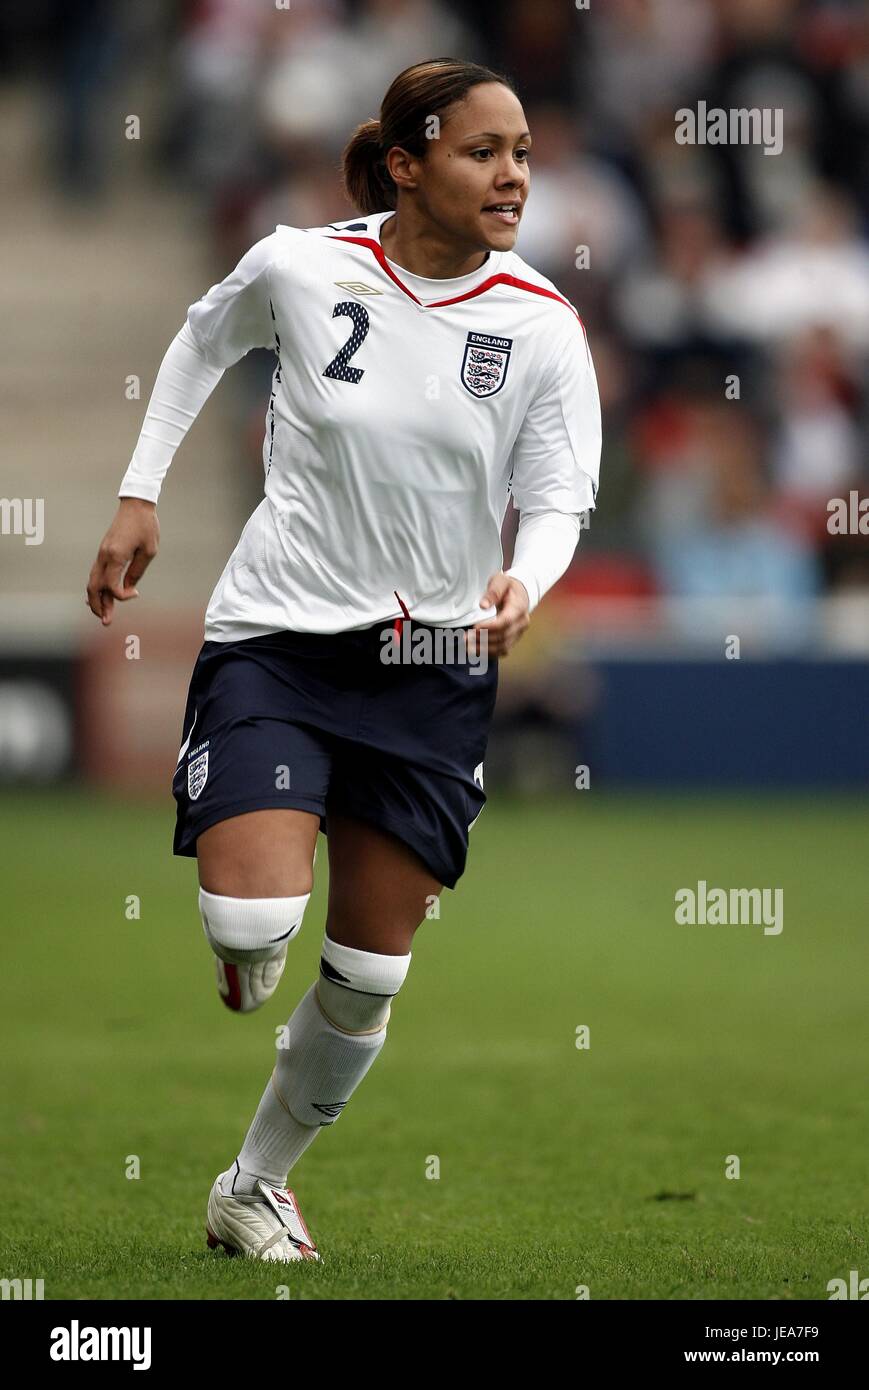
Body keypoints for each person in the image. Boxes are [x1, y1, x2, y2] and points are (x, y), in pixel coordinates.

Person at [85, 58, 601, 1264]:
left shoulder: (541, 324)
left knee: (366, 975)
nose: (512, 175)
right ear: (409, 164)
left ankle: (251, 1186)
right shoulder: (299, 264)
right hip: (280, 640)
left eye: (522, 152)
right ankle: (244, 928)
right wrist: (138, 492)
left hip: (430, 668)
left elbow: (556, 499)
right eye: (483, 152)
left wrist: (526, 579)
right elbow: (201, 340)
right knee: (252, 918)